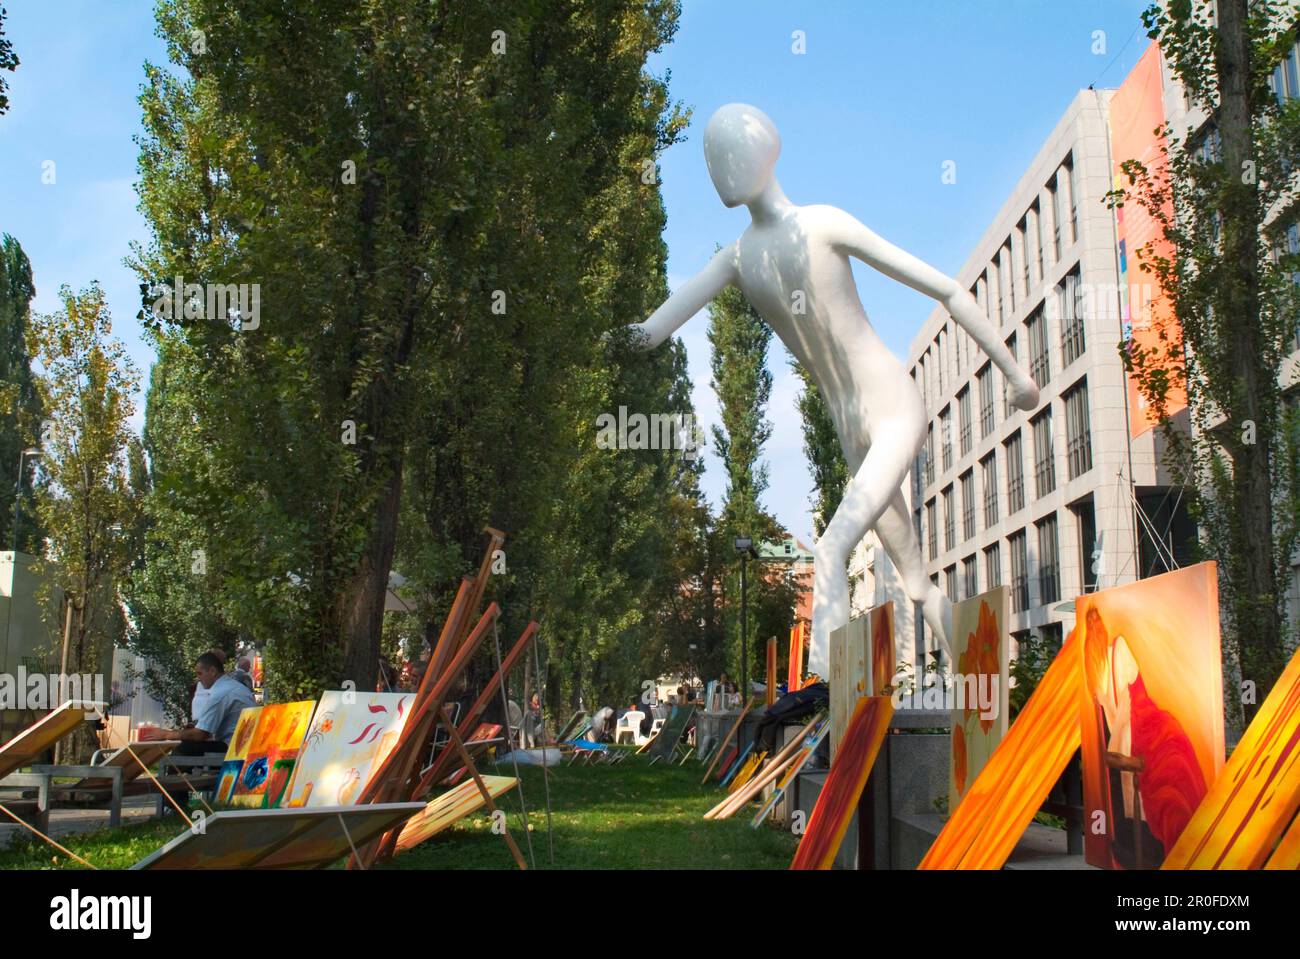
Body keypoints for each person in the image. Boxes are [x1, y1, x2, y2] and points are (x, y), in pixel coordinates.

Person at [624, 104, 1039, 676]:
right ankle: (993, 683)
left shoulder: (822, 223)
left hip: (892, 407)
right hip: (850, 428)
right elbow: (651, 331)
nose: (718, 169)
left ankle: (830, 698)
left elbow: (943, 287)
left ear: (764, 152)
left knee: (832, 547)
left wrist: (1015, 374)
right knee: (915, 581)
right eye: (709, 160)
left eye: (726, 153)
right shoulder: (737, 259)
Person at [141, 652, 255, 755]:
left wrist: (166, 734)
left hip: (234, 748)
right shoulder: (234, 686)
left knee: (182, 748)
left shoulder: (220, 694)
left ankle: (175, 778)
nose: (198, 679)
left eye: (200, 674)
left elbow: (200, 734)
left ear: (212, 671)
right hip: (248, 744)